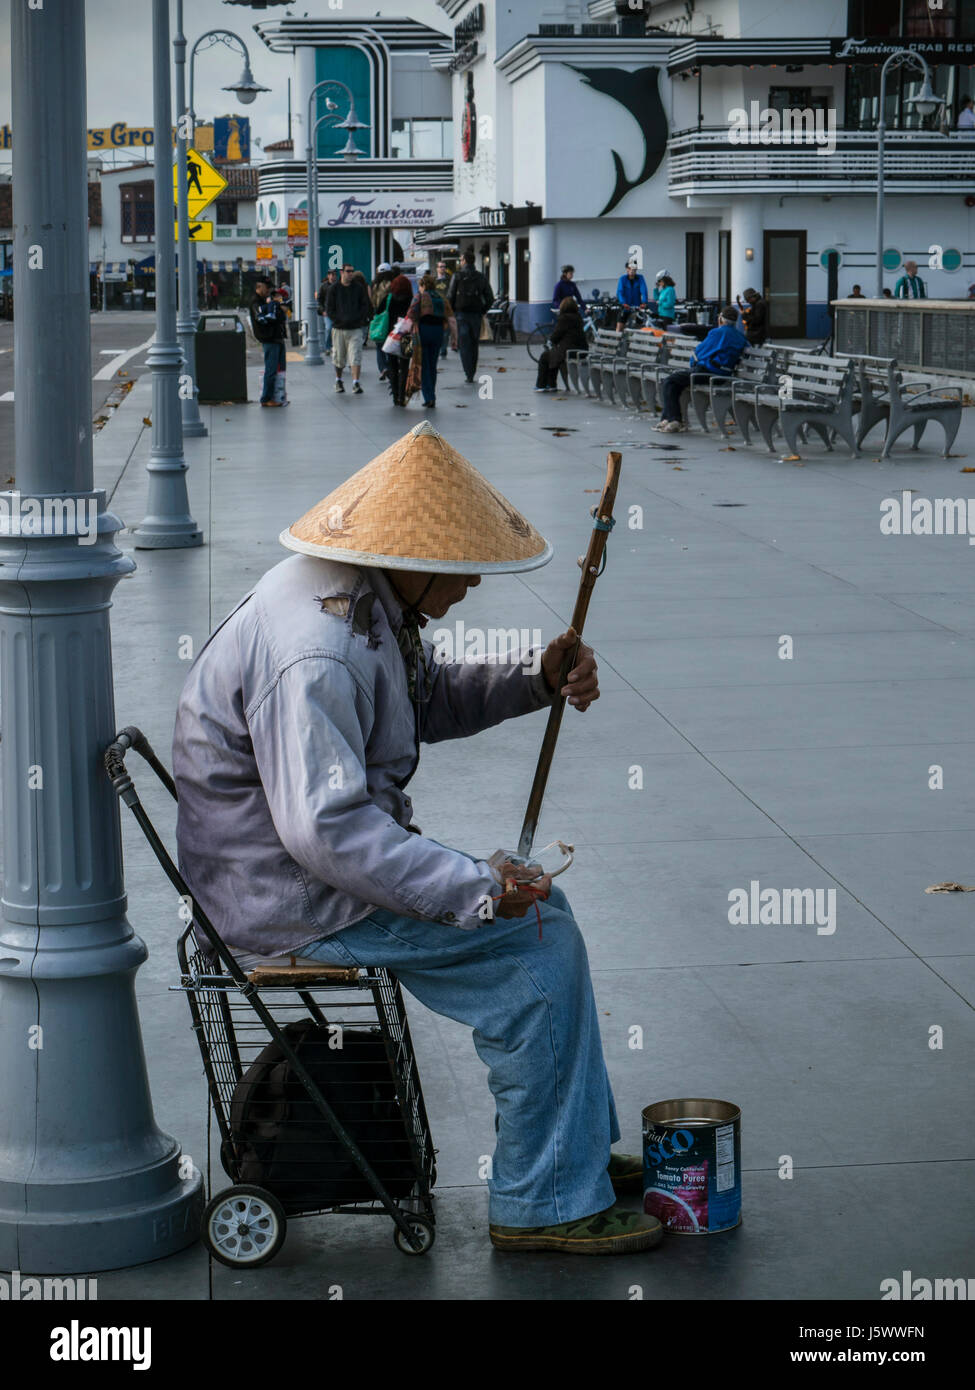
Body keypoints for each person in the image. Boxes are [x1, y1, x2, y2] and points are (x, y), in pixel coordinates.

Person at [171, 420, 661, 1256]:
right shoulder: (317, 650)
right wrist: (473, 887)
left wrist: (534, 681)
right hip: (291, 898)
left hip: (292, 870)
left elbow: (420, 702)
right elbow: (325, 830)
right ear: (409, 558)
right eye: (461, 570)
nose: (470, 585)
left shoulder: (360, 594)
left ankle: (566, 1152)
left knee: (543, 914)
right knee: (533, 945)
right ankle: (543, 1198)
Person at [654, 304, 746, 432]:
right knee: (674, 382)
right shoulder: (740, 336)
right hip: (723, 374)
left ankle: (674, 420)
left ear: (721, 319)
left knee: (670, 381)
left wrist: (694, 363)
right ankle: (669, 418)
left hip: (709, 373)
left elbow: (699, 353)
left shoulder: (717, 332)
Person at [406, 272, 457, 408]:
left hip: (423, 331)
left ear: (423, 285)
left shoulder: (419, 297)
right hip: (438, 332)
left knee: (424, 365)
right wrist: (455, 338)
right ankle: (432, 394)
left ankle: (429, 397)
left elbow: (410, 315)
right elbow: (451, 320)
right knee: (432, 365)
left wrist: (402, 332)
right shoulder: (441, 297)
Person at [448, 249, 494, 383]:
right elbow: (490, 297)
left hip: (461, 313)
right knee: (474, 343)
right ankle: (472, 370)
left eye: (461, 260)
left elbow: (450, 295)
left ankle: (468, 372)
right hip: (476, 314)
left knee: (464, 343)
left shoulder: (457, 276)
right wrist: (483, 309)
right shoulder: (481, 276)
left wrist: (450, 311)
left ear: (464, 261)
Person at [325, 263, 372, 395]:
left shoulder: (358, 288)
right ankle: (338, 380)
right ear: (342, 272)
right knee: (339, 358)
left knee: (356, 356)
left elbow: (364, 305)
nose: (351, 273)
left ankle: (355, 383)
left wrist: (359, 319)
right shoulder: (334, 289)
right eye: (348, 271)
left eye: (352, 271)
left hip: (355, 328)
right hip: (339, 328)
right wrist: (338, 319)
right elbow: (329, 308)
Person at [249, 277, 288, 408]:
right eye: (267, 287)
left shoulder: (265, 301)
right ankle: (266, 398)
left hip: (276, 337)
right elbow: (264, 319)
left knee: (280, 369)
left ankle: (278, 395)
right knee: (271, 370)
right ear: (259, 287)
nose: (269, 290)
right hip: (269, 338)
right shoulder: (256, 302)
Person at [534, 298, 588, 392]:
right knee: (553, 356)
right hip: (582, 350)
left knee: (545, 357)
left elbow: (557, 335)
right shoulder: (578, 317)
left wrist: (551, 341)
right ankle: (551, 384)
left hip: (569, 351)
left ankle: (542, 385)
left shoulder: (564, 318)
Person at [384, 270, 415, 408]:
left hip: (391, 335)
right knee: (404, 366)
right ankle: (402, 396)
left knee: (392, 366)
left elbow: (379, 312)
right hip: (406, 336)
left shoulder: (389, 298)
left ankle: (395, 396)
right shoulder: (411, 299)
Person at [370, 262, 395, 380]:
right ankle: (391, 367)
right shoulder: (393, 284)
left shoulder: (375, 285)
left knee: (379, 345)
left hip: (379, 317)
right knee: (390, 344)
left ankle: (383, 368)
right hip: (391, 318)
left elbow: (373, 303)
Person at [615, 262, 649, 327]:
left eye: (633, 268)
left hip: (637, 307)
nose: (632, 270)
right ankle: (617, 336)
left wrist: (644, 302)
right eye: (629, 268)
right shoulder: (622, 279)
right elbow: (620, 292)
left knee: (639, 326)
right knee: (619, 326)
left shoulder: (640, 278)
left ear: (636, 269)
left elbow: (644, 290)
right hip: (625, 306)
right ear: (626, 269)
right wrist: (623, 303)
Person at [434, 261, 452, 359]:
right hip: (436, 309)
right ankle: (438, 347)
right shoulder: (433, 281)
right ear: (437, 268)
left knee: (446, 331)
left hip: (446, 308)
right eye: (440, 267)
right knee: (437, 330)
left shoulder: (449, 281)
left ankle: (443, 349)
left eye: (444, 267)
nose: (442, 268)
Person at [317, 270, 338, 355]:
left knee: (336, 330)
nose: (333, 277)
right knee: (329, 328)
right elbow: (320, 299)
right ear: (328, 276)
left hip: (337, 312)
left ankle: (335, 346)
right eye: (331, 275)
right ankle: (328, 347)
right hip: (327, 311)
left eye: (334, 275)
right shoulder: (323, 286)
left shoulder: (338, 285)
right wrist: (323, 310)